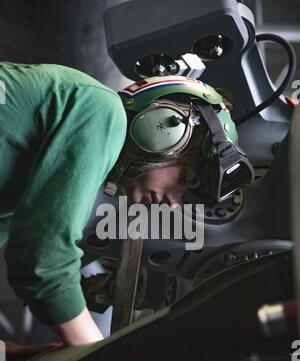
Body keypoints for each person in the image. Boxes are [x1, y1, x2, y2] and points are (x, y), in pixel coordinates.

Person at [0, 62, 252, 346]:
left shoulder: (25, 184)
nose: (171, 203)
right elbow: (44, 261)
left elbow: (31, 256)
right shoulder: (101, 111)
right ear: (164, 129)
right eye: (184, 177)